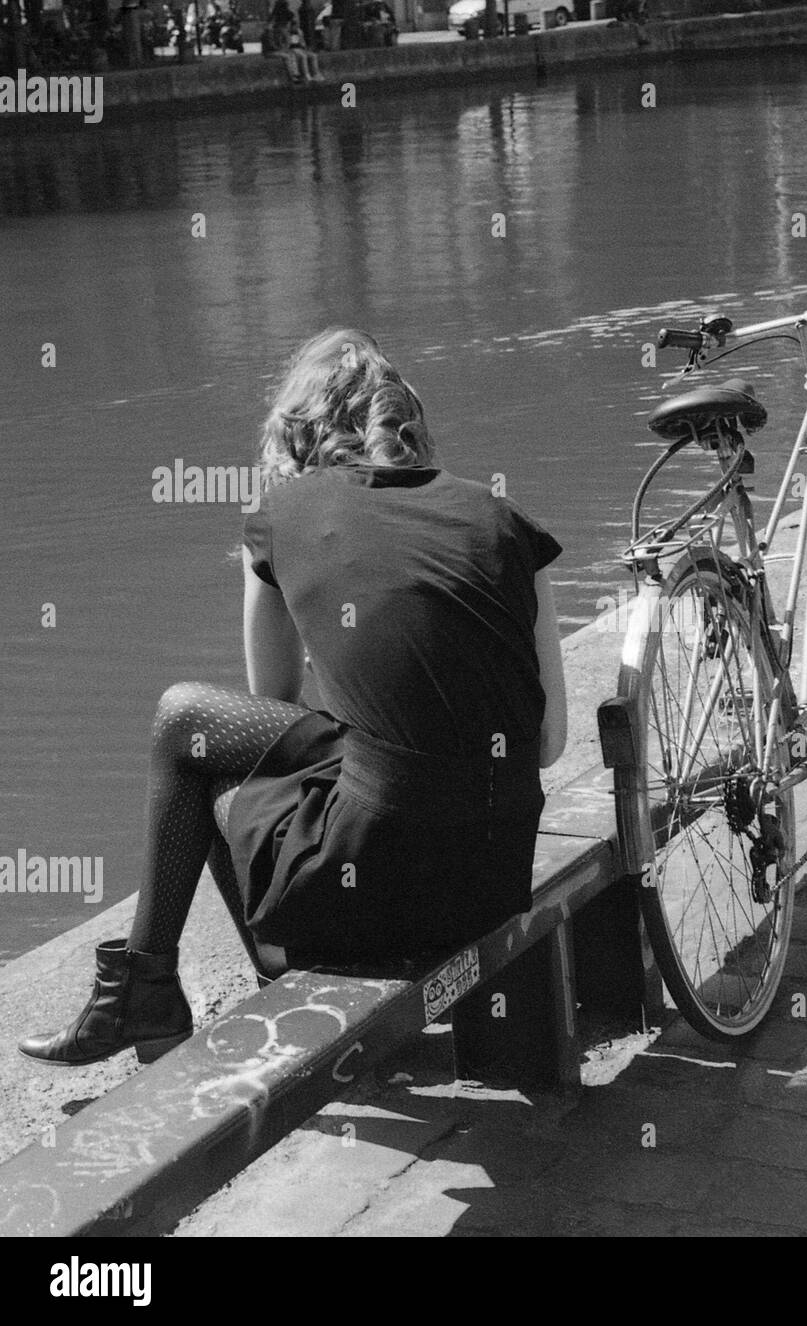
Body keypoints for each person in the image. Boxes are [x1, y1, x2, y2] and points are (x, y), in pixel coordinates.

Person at [19, 329, 568, 1066]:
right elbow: (549, 742)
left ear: (298, 433)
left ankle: (160, 988)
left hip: (374, 885)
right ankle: (153, 993)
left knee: (188, 726)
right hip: (490, 885)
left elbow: (269, 706)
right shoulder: (506, 522)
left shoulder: (281, 512)